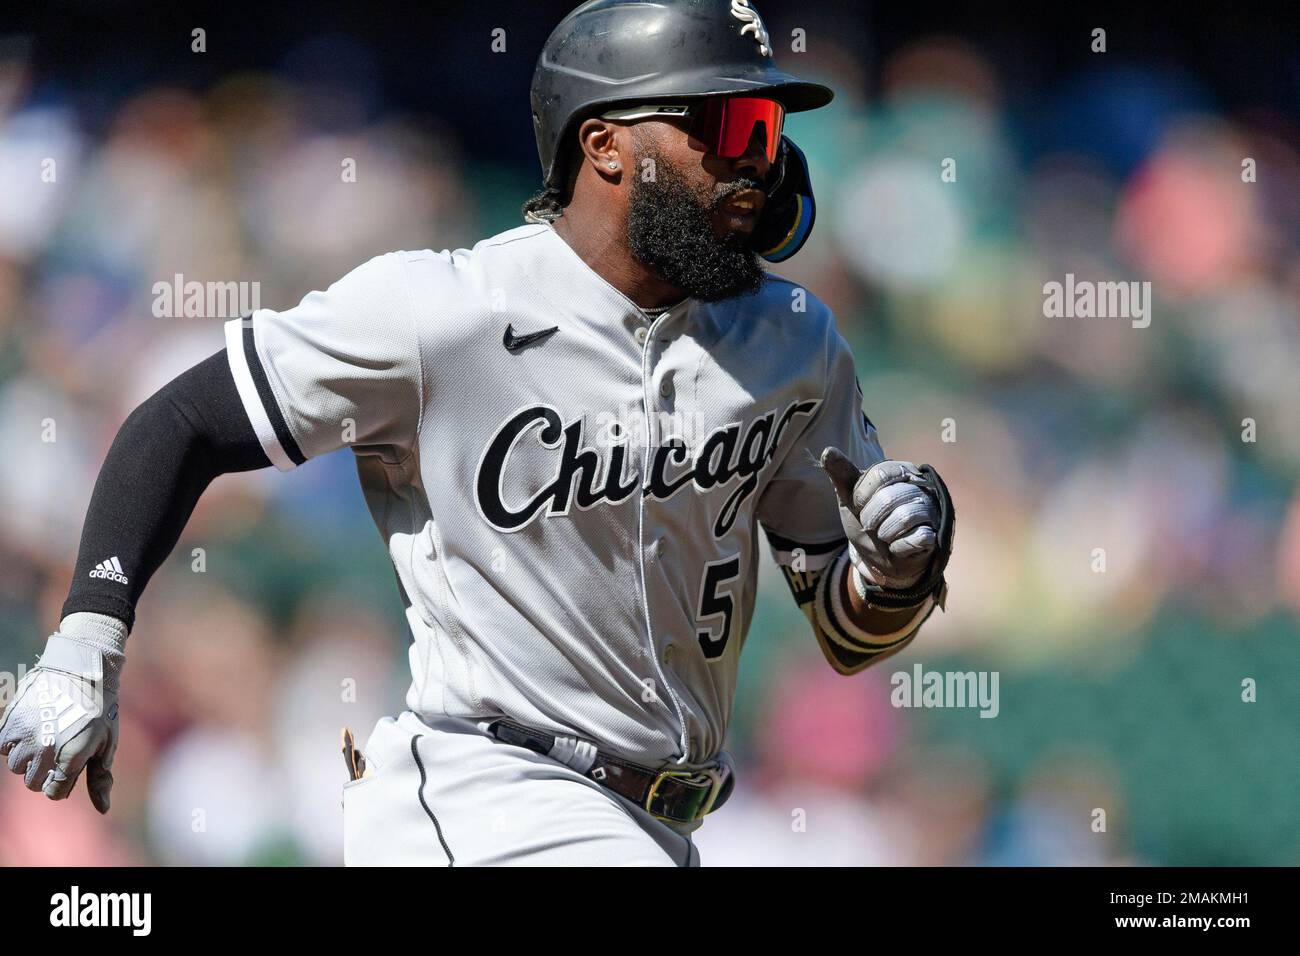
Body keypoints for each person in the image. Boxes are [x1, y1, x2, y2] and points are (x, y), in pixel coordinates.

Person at [0, 0, 953, 866]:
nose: (760, 156)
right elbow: (183, 418)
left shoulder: (789, 339)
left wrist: (898, 573)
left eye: (771, 126)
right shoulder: (445, 311)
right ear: (608, 146)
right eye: (731, 124)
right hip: (488, 796)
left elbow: (849, 632)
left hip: (663, 825)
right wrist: (87, 638)